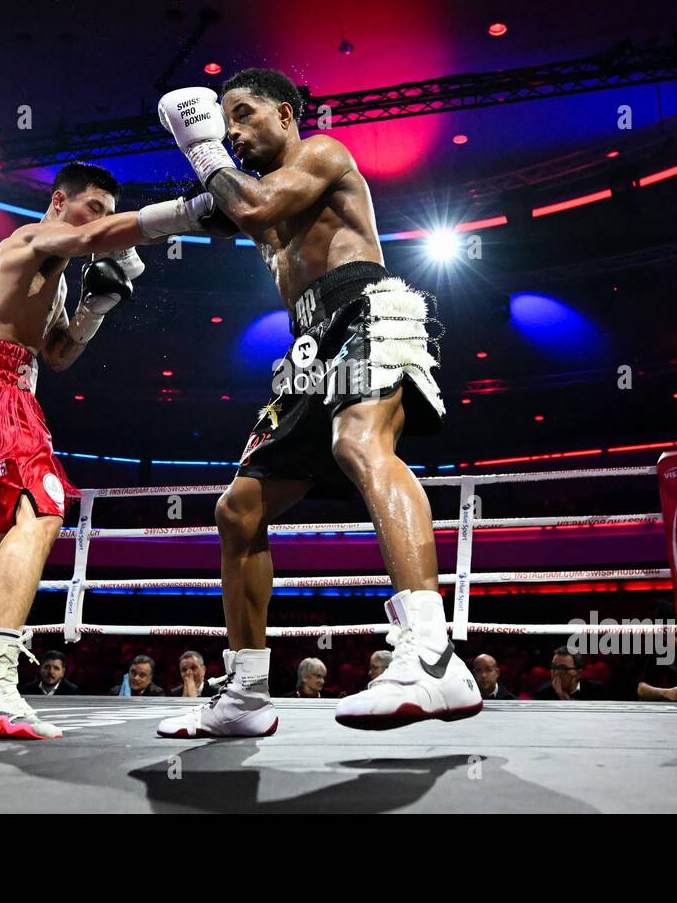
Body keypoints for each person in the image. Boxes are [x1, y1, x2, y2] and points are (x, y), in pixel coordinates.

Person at [155, 70, 477, 738]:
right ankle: (245, 694)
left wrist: (202, 147)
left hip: (362, 307)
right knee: (239, 511)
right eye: (224, 121)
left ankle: (433, 652)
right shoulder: (243, 186)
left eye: (243, 114)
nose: (234, 131)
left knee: (359, 444)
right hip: (307, 345)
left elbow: (256, 208)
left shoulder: (322, 153)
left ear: (286, 111)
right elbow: (196, 213)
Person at [0, 162, 221, 739]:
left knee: (9, 544)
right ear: (58, 202)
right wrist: (194, 209)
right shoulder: (28, 239)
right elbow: (94, 238)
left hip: (12, 395)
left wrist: (96, 308)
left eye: (105, 209)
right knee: (43, 511)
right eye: (93, 207)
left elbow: (59, 354)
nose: (98, 220)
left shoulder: (61, 275)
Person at [536, 647, 606, 701]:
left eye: (563, 669)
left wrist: (564, 699)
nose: (556, 673)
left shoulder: (597, 690)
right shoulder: (543, 694)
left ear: (578, 673)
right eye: (554, 667)